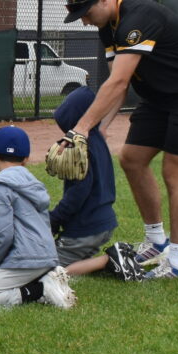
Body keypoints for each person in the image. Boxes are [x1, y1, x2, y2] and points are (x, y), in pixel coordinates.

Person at [62, 0, 178, 279]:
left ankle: (177, 264)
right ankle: (156, 242)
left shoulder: (138, 17)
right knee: (132, 159)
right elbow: (118, 85)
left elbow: (119, 81)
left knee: (175, 172)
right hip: (159, 96)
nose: (85, 21)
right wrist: (102, 127)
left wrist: (82, 128)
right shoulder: (107, 26)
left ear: (103, 0)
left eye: (86, 13)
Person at [0, 126, 76, 309]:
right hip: (48, 254)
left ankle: (41, 290)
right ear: (26, 159)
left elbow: (3, 233)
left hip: (26, 259)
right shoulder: (34, 183)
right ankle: (44, 278)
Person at [48, 87, 121, 276]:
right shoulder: (97, 140)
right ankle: (96, 263)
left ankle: (111, 260)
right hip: (102, 223)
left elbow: (78, 192)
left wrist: (54, 219)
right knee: (73, 261)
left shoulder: (80, 148)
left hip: (85, 228)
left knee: (47, 269)